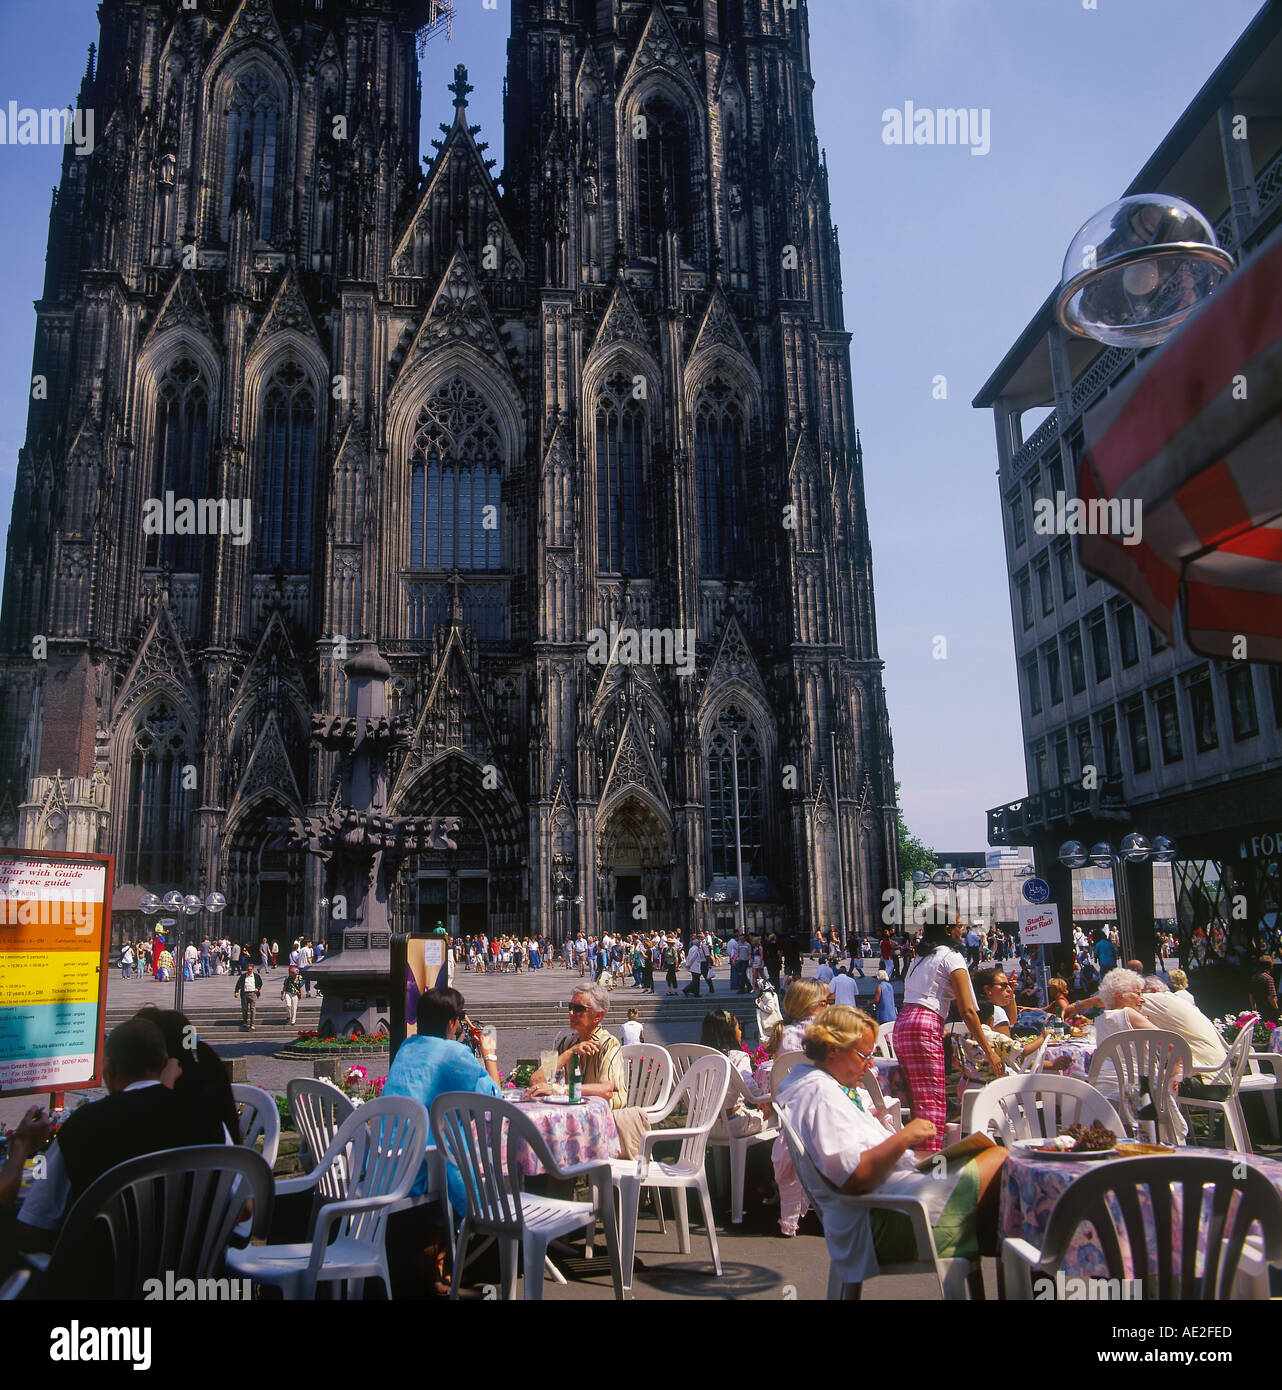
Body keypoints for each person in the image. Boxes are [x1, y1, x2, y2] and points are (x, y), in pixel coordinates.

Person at [779, 1006, 1009, 1279]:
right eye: (864, 1055)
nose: (870, 1065)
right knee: (1004, 1165)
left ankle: (1013, 1253)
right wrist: (905, 1136)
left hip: (890, 1206)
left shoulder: (816, 1085)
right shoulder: (820, 1094)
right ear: (833, 1049)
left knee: (999, 1177)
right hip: (885, 1220)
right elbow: (854, 1176)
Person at [15, 1018, 226, 1260]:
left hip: (103, 1280)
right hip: (189, 1276)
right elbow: (240, 1208)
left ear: (109, 1069)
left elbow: (32, 1225)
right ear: (165, 1064)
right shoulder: (207, 1117)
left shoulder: (84, 1124)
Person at [382, 987, 503, 1297]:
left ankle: (435, 1264)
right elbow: (494, 1100)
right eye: (460, 1019)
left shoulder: (408, 1047)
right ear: (452, 1022)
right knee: (462, 1165)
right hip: (420, 1165)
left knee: (449, 1153)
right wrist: (488, 1052)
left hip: (386, 1163)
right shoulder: (455, 1053)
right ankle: (454, 1262)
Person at [895, 920, 1004, 1152]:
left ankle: (920, 1160)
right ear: (948, 930)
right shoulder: (951, 957)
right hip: (924, 1024)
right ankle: (932, 1167)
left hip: (903, 1023)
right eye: (959, 925)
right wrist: (990, 1051)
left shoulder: (921, 957)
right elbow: (968, 1011)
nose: (962, 930)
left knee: (919, 1102)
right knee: (933, 1103)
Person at [1249, 956, 1280, 1024]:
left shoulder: (1254, 977)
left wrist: (1254, 1009)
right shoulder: (1269, 979)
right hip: (1268, 1010)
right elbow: (1271, 997)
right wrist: (1277, 1010)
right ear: (1271, 966)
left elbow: (1251, 995)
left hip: (1259, 1008)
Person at [235, 962, 263, 1030]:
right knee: (244, 1009)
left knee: (252, 1009)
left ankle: (252, 1023)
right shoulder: (243, 976)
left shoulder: (256, 976)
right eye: (248, 969)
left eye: (250, 969)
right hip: (244, 994)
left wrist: (257, 988)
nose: (249, 970)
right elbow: (238, 984)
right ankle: (245, 1022)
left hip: (253, 993)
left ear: (252, 969)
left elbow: (260, 983)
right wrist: (236, 992)